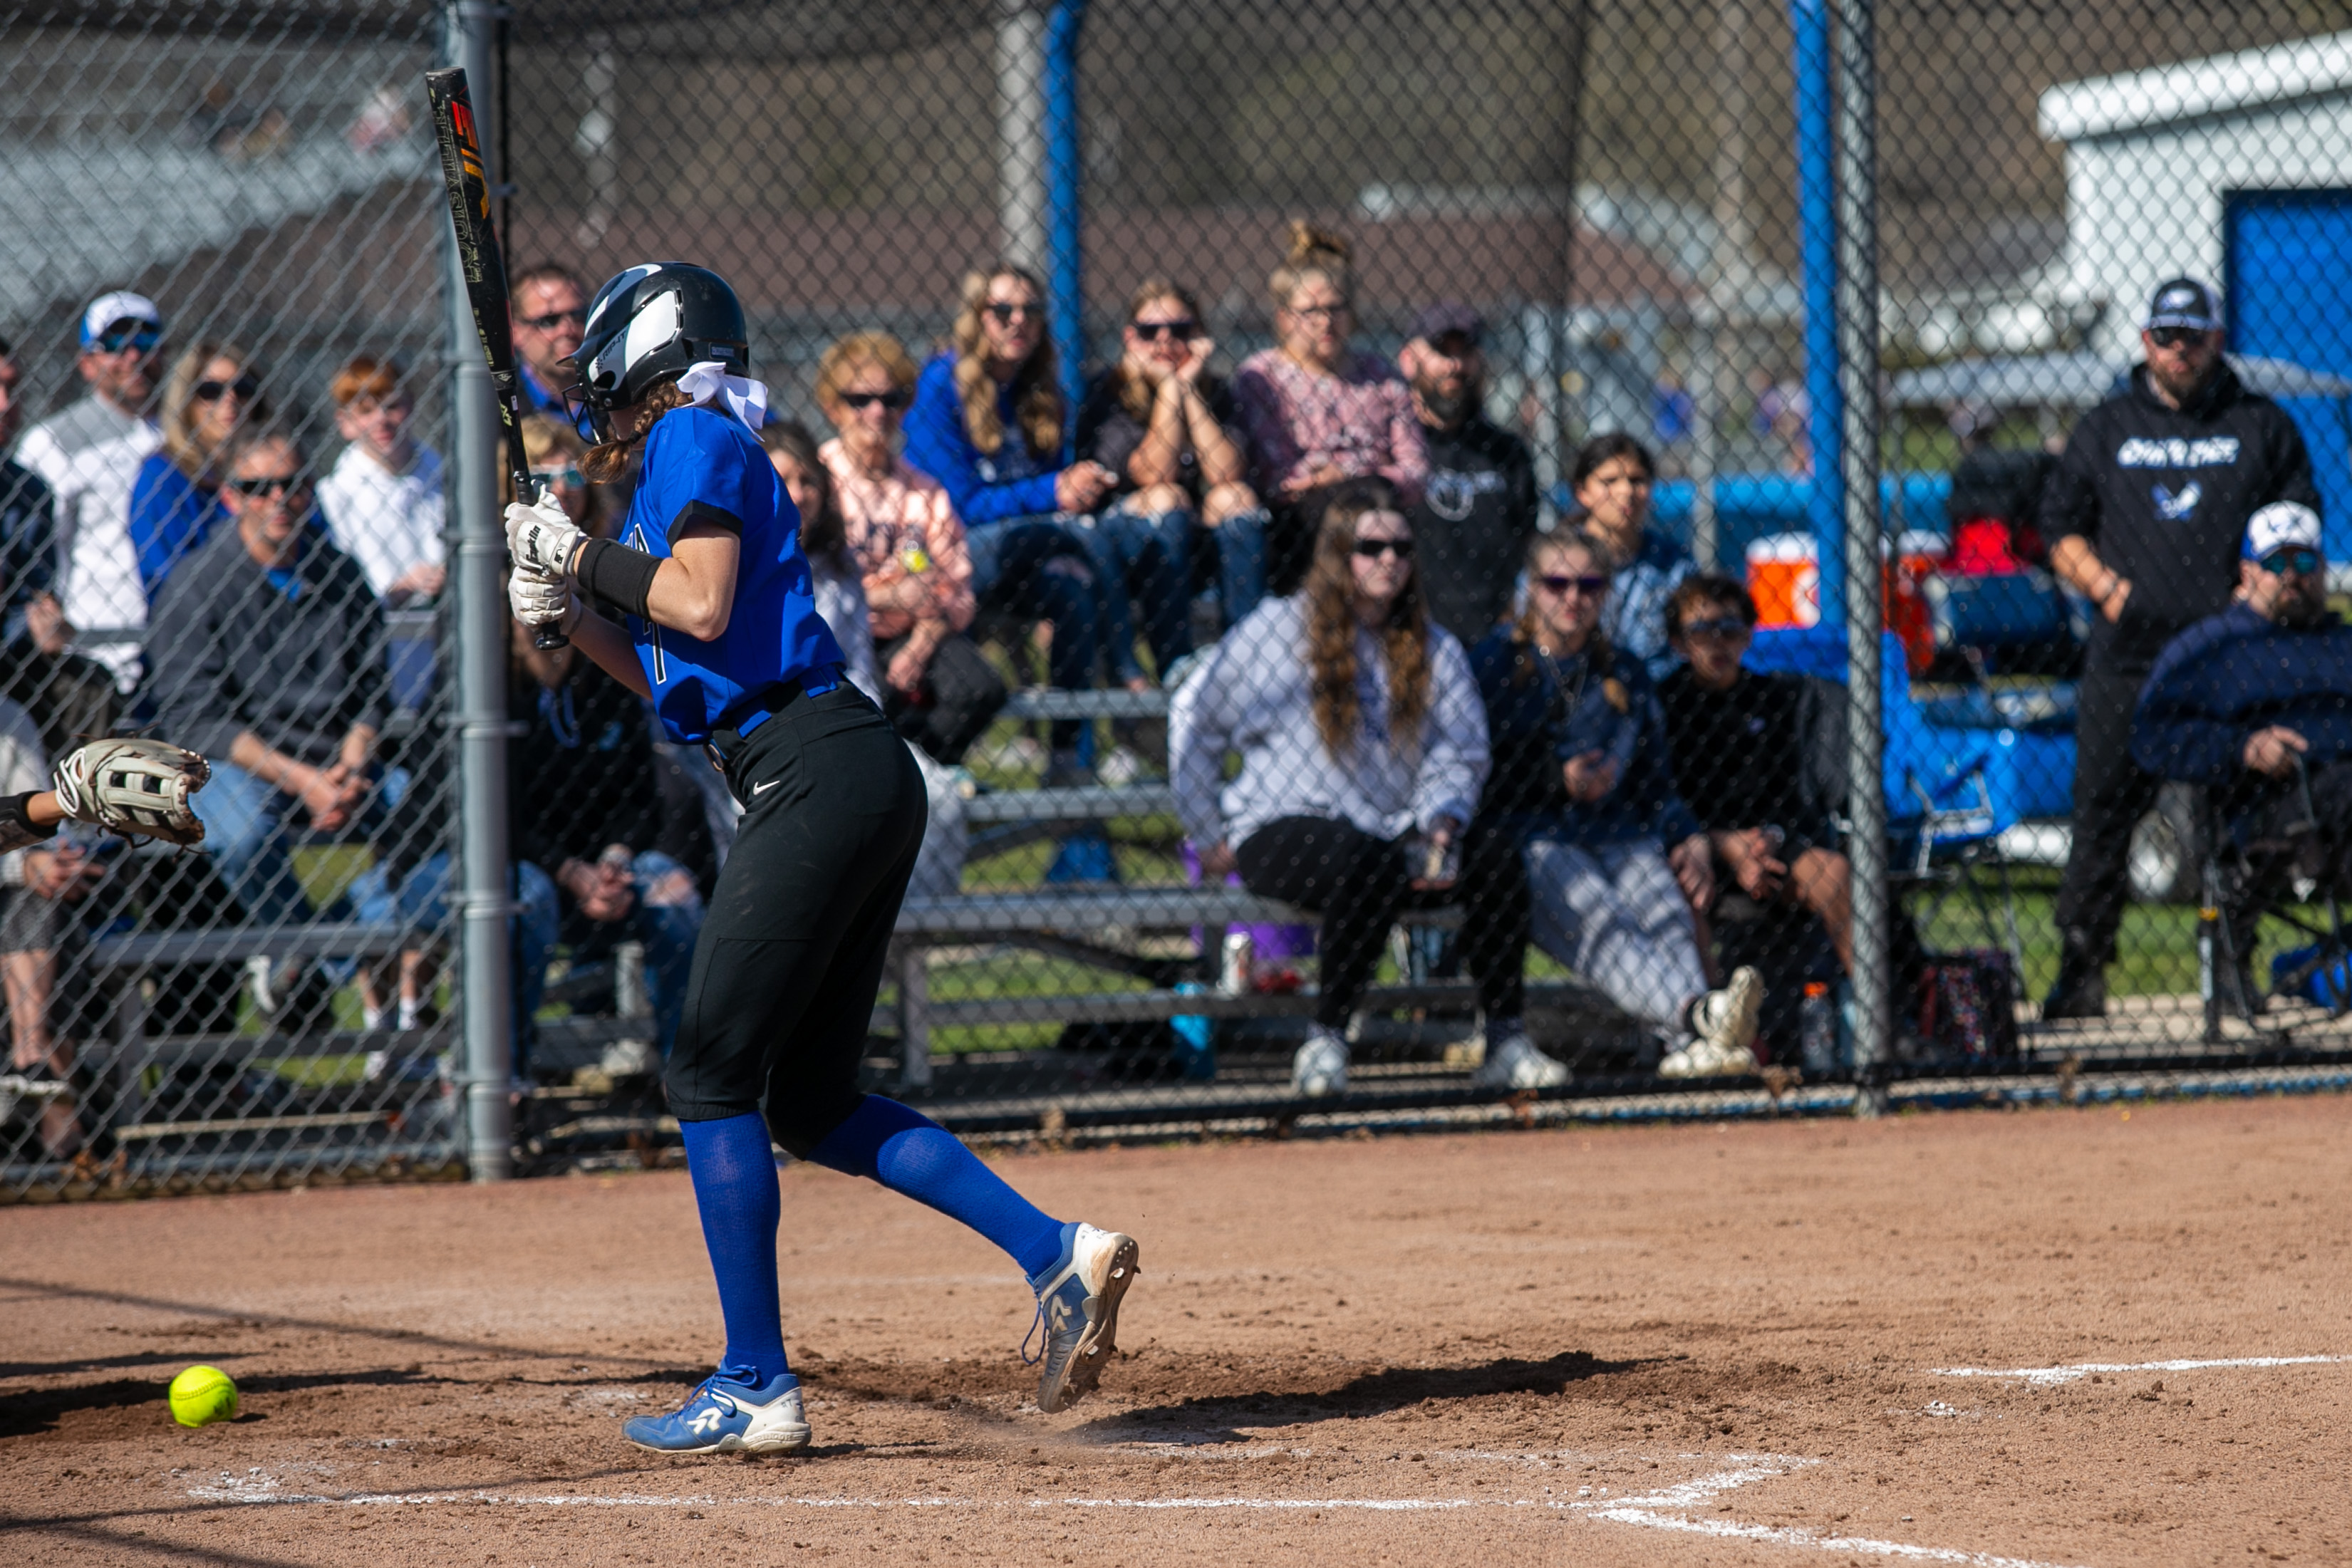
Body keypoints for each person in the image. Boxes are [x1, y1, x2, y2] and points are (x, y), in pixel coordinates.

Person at [501, 260, 1138, 1454]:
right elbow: (681, 673)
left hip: (814, 767)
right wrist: (569, 610)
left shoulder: (692, 432)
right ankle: (1059, 1255)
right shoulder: (690, 461)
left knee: (707, 1071)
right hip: (832, 765)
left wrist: (577, 554)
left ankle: (754, 1382)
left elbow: (691, 603)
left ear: (643, 349)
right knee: (808, 1096)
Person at [1170, 479, 1538, 1096]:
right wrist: (1206, 832)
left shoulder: (1432, 645)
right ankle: (1326, 1041)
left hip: (1400, 830)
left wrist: (1440, 819)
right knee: (1363, 860)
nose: (1389, 560)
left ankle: (1505, 1037)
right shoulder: (1275, 630)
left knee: (1496, 856)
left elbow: (1460, 747)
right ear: (1338, 554)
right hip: (1280, 822)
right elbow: (1196, 723)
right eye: (1371, 547)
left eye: (1400, 547)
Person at [2040, 278, 2320, 1019]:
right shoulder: (2105, 427)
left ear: (2215, 339)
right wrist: (2106, 588)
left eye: (2192, 335)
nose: (2178, 348)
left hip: (2228, 662)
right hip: (2127, 655)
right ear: (2143, 340)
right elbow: (2057, 528)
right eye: (2165, 335)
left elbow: (2297, 522)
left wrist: (2259, 588)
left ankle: (2232, 962)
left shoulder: (2260, 425)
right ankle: (2082, 966)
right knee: (2101, 812)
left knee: (2236, 812)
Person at [1472, 535, 1763, 1079]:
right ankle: (1701, 1019)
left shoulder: (1622, 669)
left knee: (1668, 914)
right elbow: (1475, 769)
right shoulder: (1494, 665)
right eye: (1556, 584)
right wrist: (1553, 778)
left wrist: (1686, 833)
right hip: (1533, 835)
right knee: (1603, 918)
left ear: (1606, 594)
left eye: (1589, 585)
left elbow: (1656, 778)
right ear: (1531, 590)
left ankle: (1693, 1049)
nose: (1572, 598)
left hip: (1618, 830)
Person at [145, 426, 389, 927]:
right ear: (233, 498)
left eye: (293, 483)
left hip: (336, 759)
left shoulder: (341, 574)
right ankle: (307, 955)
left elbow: (373, 691)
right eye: (259, 488)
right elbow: (197, 721)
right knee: (246, 835)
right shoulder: (195, 585)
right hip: (236, 764)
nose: (279, 499)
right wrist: (305, 782)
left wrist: (352, 766)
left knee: (440, 811)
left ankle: (320, 950)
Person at [2132, 502, 2352, 994]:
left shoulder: (2341, 643)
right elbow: (2151, 735)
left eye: (2304, 562)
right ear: (2247, 571)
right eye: (2276, 563)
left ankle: (2315, 970)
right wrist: (2242, 747)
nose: (2291, 576)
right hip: (2268, 803)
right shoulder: (2213, 648)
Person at [903, 263, 1109, 772]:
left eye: (1032, 311)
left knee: (1072, 590)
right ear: (977, 318)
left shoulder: (1039, 390)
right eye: (1003, 311)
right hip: (947, 555)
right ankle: (946, 757)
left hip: (1023, 551)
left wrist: (1080, 490)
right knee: (1048, 543)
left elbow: (1050, 488)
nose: (1019, 321)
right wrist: (1053, 493)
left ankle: (1065, 755)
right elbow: (960, 506)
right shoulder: (940, 386)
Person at [807, 334, 1006, 763]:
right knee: (866, 697)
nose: (877, 412)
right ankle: (892, 780)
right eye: (860, 399)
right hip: (838, 633)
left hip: (912, 632)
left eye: (891, 399)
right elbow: (804, 581)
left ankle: (920, 782)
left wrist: (921, 642)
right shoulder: (815, 483)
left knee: (980, 688)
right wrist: (885, 594)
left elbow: (955, 588)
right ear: (833, 407)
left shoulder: (925, 493)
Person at [1657, 574, 1855, 980]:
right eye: (1701, 630)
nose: (1718, 642)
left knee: (1834, 873)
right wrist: (1727, 846)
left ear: (1748, 637)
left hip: (1770, 842)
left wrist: (1769, 841)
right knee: (1683, 884)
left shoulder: (1778, 699)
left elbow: (1793, 792)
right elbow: (1658, 800)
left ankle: (1879, 1012)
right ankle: (1712, 1022)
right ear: (1677, 642)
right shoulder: (1662, 706)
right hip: (1695, 845)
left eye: (1730, 629)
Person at [1074, 279, 1270, 658]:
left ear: (1199, 335)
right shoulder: (1108, 390)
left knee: (1236, 497)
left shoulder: (1217, 391)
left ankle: (1246, 660)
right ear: (1131, 337)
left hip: (1198, 541)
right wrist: (1168, 390)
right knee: (1167, 495)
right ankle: (1173, 663)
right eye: (1150, 332)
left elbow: (1226, 473)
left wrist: (1189, 391)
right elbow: (1154, 474)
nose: (1165, 341)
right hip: (1132, 545)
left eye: (1180, 330)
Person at [1233, 224, 1428, 596]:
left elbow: (1416, 470)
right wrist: (1361, 473)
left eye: (1335, 308)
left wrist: (1348, 473)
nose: (1326, 321)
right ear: (1284, 317)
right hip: (1300, 524)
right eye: (1311, 311)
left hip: (1379, 511)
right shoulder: (1260, 378)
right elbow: (1281, 477)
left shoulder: (1381, 377)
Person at [14, 291, 165, 687]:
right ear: (87, 363)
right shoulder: (52, 442)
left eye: (145, 342)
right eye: (116, 344)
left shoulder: (184, 435)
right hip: (95, 655)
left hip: (181, 643)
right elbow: (33, 555)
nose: (134, 357)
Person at [0, 338, 115, 762]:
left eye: (13, 389)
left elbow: (31, 598)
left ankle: (82, 821)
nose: (4, 404)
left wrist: (40, 626)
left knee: (88, 686)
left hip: (9, 661)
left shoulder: (27, 492)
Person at [1398, 303, 1539, 647]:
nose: (1455, 365)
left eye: (1466, 352)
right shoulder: (1393, 449)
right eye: (1441, 352)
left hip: (1499, 642)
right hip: (1415, 637)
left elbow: (1529, 544)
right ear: (1408, 360)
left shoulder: (1508, 453)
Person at [129, 340, 264, 600]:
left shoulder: (280, 472)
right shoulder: (163, 477)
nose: (230, 400)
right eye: (211, 391)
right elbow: (169, 581)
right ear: (186, 399)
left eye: (243, 388)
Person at [316, 355, 445, 606]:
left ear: (411, 406)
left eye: (392, 406)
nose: (381, 420)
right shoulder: (334, 496)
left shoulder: (444, 476)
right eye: (365, 411)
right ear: (344, 422)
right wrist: (399, 589)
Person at [1574, 433, 1694, 680]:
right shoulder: (1556, 558)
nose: (1626, 491)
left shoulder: (1674, 564)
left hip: (1659, 692)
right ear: (1582, 492)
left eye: (1637, 480)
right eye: (1609, 481)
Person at [510, 262, 590, 417]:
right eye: (550, 320)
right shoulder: (499, 411)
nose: (568, 329)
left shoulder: (619, 400)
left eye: (577, 314)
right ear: (516, 333)